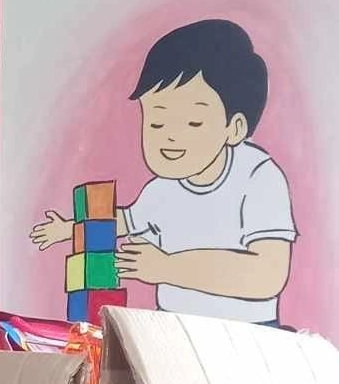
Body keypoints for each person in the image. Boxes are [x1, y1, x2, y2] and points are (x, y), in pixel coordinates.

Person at [30, 19, 297, 323]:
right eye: (157, 123)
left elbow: (267, 275)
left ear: (234, 128)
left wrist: (166, 267)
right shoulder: (161, 190)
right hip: (172, 329)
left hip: (248, 333)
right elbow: (122, 221)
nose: (170, 136)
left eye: (193, 122)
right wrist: (68, 229)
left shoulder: (259, 178)